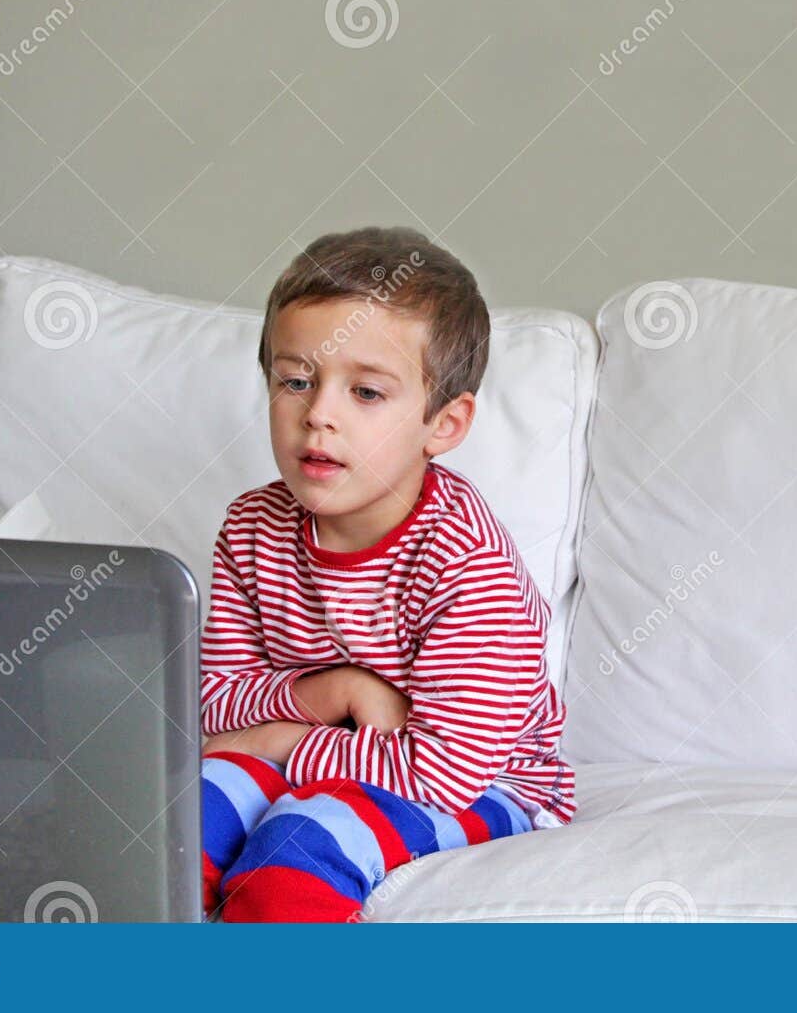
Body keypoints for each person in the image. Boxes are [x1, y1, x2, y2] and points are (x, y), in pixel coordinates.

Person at [198, 225, 576, 922]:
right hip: (361, 755)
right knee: (175, 822)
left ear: (443, 424)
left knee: (295, 851)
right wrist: (337, 690)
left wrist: (280, 739)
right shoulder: (252, 527)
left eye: (366, 392)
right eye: (295, 380)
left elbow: (440, 770)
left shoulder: (467, 564)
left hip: (485, 786)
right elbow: (212, 704)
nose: (319, 415)